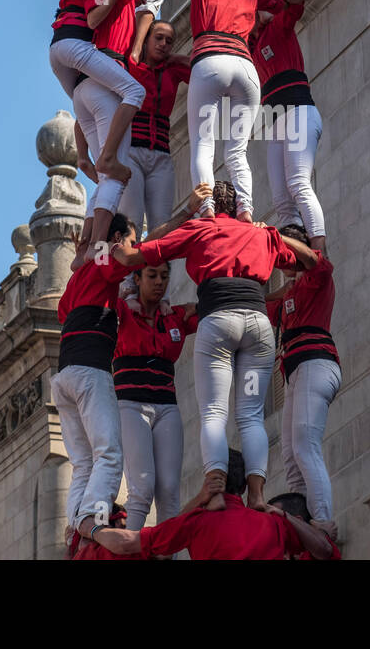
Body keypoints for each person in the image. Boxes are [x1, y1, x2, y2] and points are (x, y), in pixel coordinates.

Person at [112, 181, 317, 512]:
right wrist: (275, 235)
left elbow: (136, 255)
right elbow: (310, 261)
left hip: (219, 323)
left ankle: (218, 491)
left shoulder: (200, 229)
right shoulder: (260, 235)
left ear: (210, 207)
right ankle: (258, 497)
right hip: (257, 325)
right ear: (238, 207)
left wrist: (121, 248)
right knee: (250, 415)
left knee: (214, 413)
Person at [129, 0, 304, 220]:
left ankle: (207, 207)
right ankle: (246, 208)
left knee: (203, 144)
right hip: (245, 70)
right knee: (237, 150)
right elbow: (294, 3)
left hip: (210, 63)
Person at [51, 0, 151, 259]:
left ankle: (82, 251)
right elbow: (94, 19)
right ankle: (95, 247)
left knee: (103, 175)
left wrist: (82, 156)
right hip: (78, 50)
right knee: (134, 95)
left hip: (79, 81)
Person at [50, 212, 136, 545]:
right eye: (128, 241)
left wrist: (79, 260)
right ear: (116, 241)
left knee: (83, 462)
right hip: (89, 372)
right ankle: (91, 521)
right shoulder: (103, 262)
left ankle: (75, 528)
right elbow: (130, 262)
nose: (130, 248)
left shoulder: (82, 275)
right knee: (110, 453)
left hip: (64, 377)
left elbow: (62, 310)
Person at [92, 450, 341, 559]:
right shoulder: (273, 523)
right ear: (245, 487)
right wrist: (282, 515)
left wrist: (92, 529)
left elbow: (129, 543)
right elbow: (325, 550)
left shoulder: (196, 522)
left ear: (209, 481)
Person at [266, 223, 340, 537]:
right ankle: (301, 517)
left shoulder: (317, 277)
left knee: (304, 445)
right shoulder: (287, 296)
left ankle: (323, 522)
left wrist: (278, 238)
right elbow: (255, 304)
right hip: (297, 372)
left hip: (316, 364)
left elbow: (313, 259)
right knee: (290, 453)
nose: (281, 260)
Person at [113, 261, 197, 531]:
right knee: (142, 487)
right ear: (136, 279)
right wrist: (125, 296)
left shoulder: (174, 316)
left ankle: (166, 554)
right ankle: (131, 551)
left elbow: (217, 306)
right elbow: (101, 289)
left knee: (170, 489)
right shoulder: (122, 312)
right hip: (131, 405)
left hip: (166, 406)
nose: (159, 281)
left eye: (164, 276)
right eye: (152, 276)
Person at [248, 0, 326, 251]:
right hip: (277, 123)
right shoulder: (250, 47)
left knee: (298, 183)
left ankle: (319, 253)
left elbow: (299, 0)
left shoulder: (279, 27)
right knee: (281, 201)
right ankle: (296, 261)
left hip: (299, 111)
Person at [119, 18, 190, 239]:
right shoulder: (129, 65)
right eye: (158, 38)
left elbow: (202, 71)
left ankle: (158, 273)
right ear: (146, 40)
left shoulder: (173, 70)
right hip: (131, 153)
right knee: (131, 224)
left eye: (169, 41)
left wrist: (179, 58)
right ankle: (129, 274)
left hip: (161, 155)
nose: (163, 44)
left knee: (162, 227)